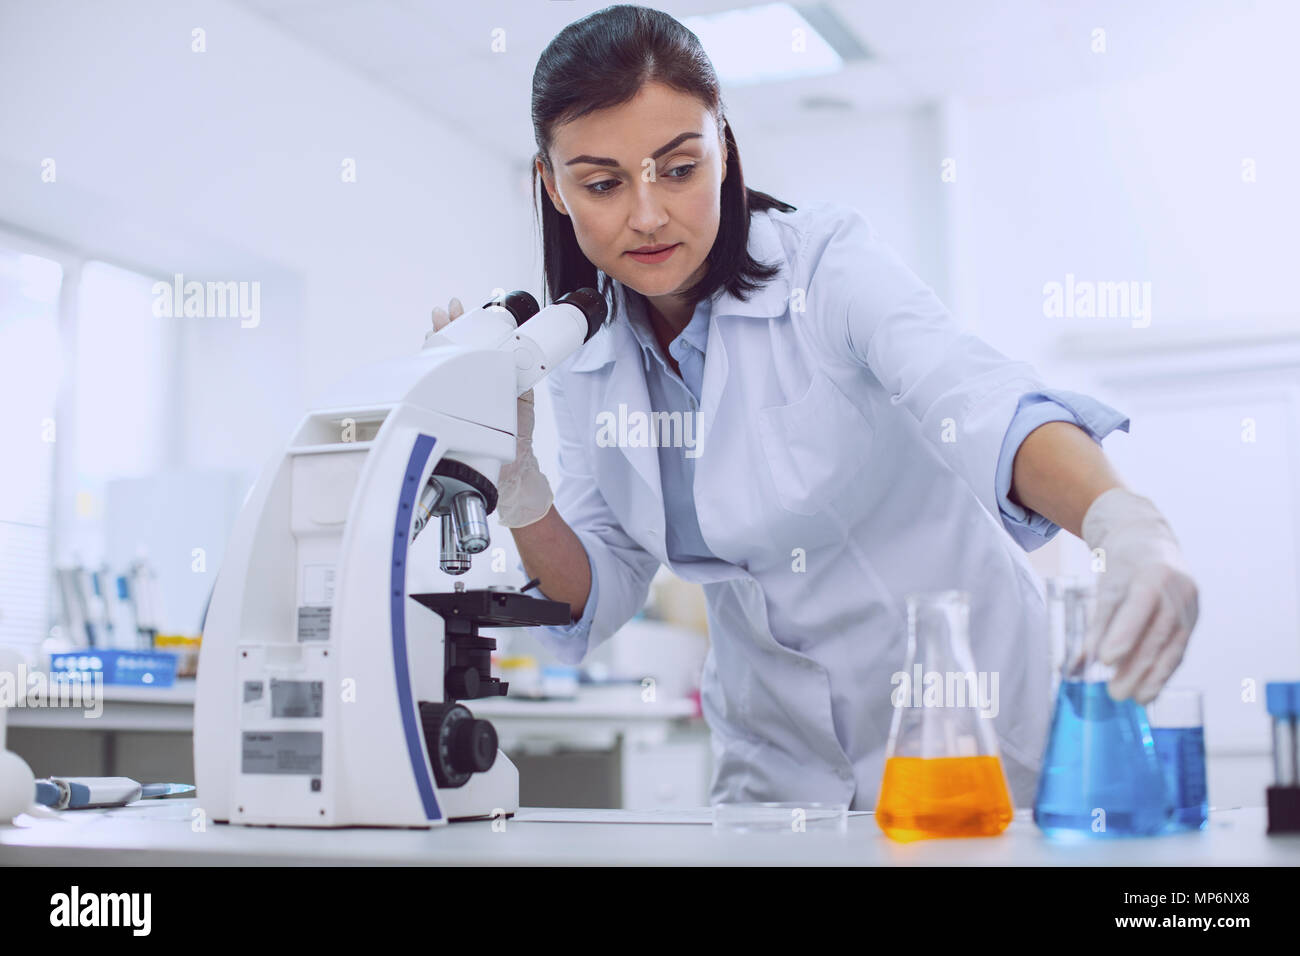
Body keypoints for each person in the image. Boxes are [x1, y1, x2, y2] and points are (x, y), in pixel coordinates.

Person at [431, 4, 1199, 809]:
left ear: (723, 149)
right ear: (551, 187)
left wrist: (1122, 521)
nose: (648, 214)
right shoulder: (585, 352)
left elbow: (974, 397)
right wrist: (516, 484)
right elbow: (600, 580)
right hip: (776, 770)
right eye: (602, 183)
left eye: (680, 168)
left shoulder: (826, 267)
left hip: (962, 737)